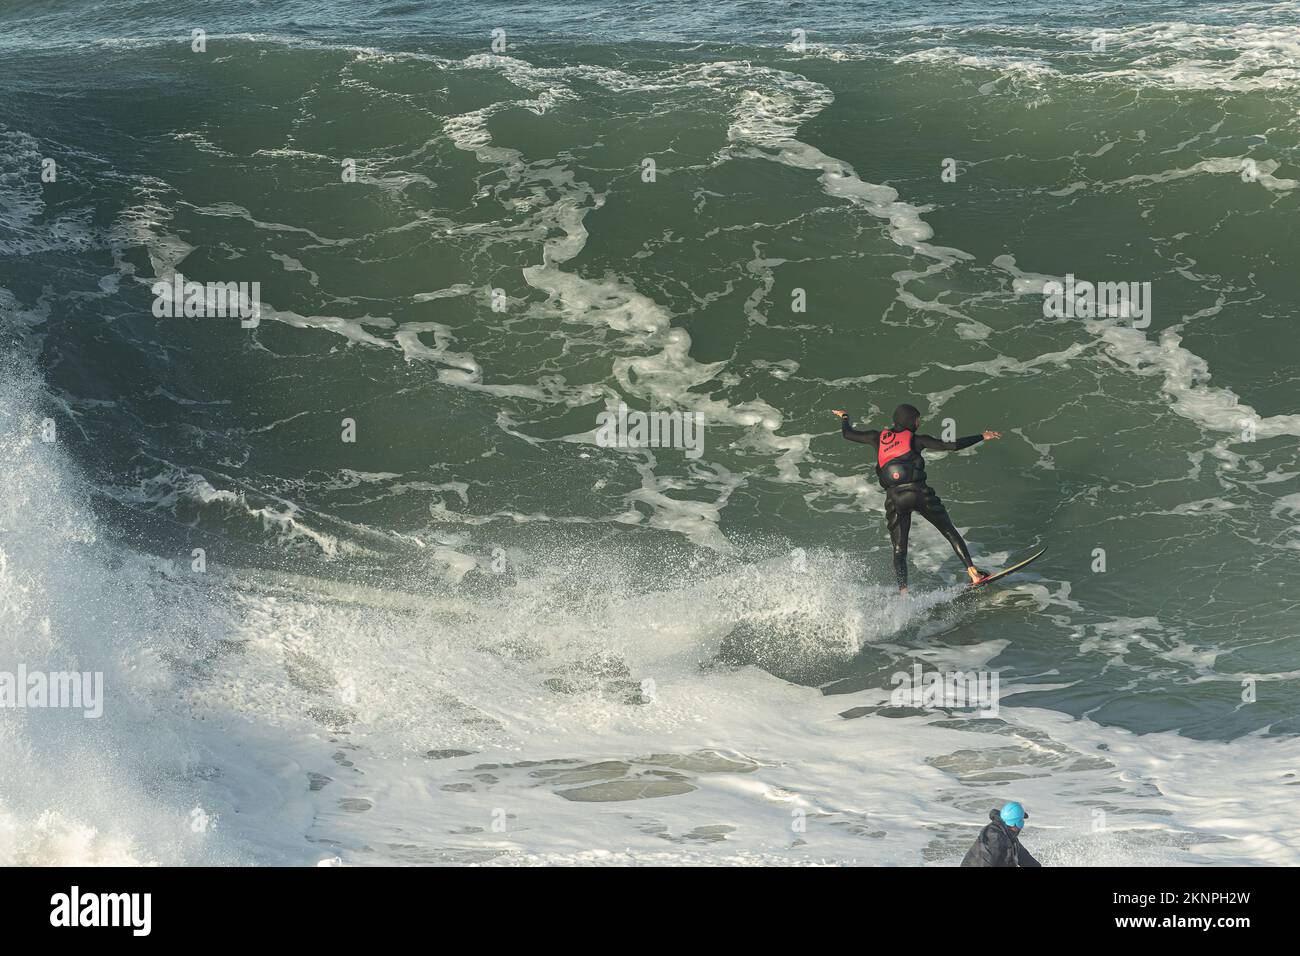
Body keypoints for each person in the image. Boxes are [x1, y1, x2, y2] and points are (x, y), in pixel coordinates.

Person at [831, 403, 1000, 593]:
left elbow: (848, 434)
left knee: (899, 548)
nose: (919, 423)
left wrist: (845, 416)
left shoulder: (876, 438)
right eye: (918, 419)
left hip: (895, 498)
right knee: (948, 530)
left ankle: (903, 594)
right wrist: (982, 436)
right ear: (910, 420)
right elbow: (951, 445)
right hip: (919, 493)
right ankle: (975, 574)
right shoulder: (917, 440)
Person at [960, 801, 1042, 867]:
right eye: (1021, 821)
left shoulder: (1009, 836)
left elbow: (1026, 860)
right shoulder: (994, 837)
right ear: (1016, 823)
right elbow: (985, 863)